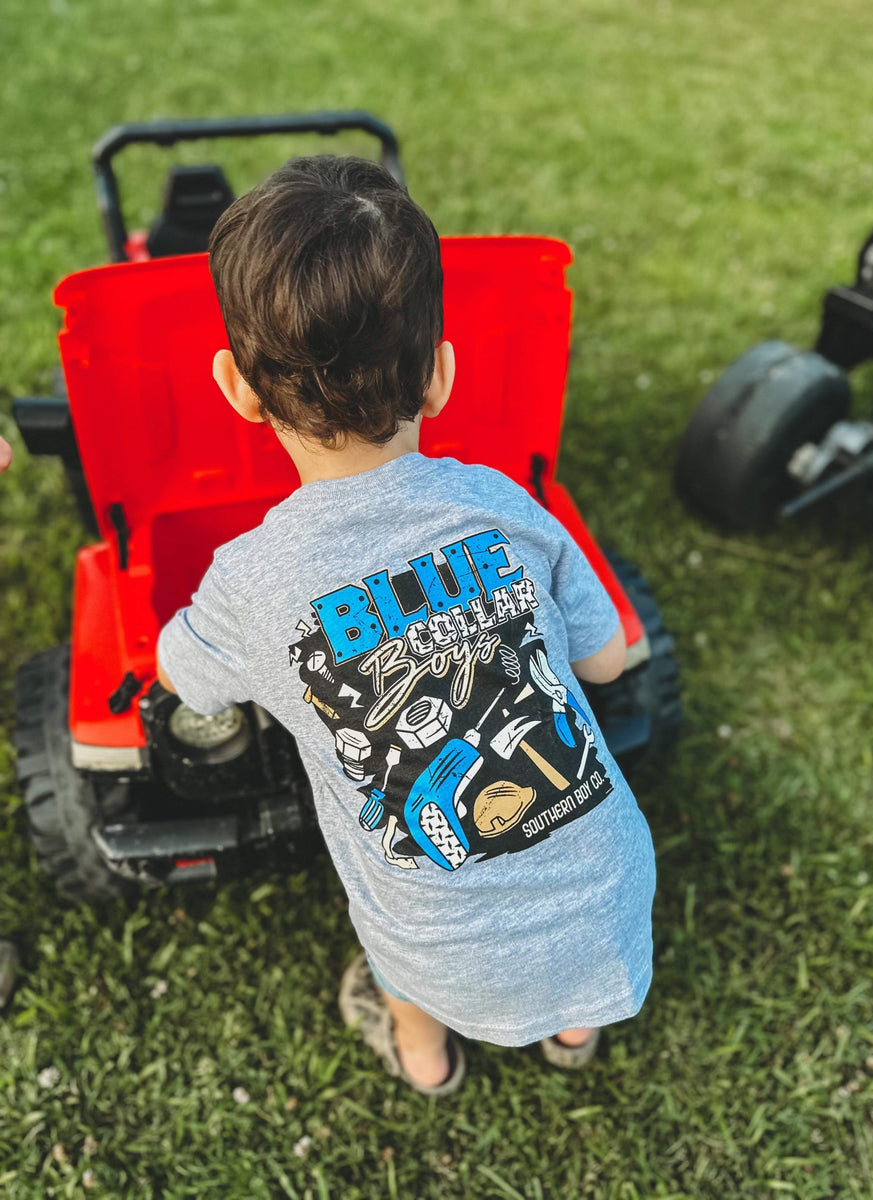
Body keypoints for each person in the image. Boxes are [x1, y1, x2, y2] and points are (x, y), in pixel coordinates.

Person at [156, 156, 656, 1095]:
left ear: (236, 388)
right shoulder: (503, 506)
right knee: (575, 930)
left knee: (396, 939)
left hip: (436, 945)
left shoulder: (249, 581)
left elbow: (183, 673)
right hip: (607, 906)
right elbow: (608, 655)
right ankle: (573, 1037)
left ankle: (424, 1059)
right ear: (439, 375)